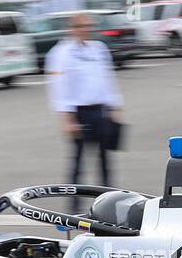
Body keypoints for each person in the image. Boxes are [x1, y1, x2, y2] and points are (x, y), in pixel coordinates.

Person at [45, 13, 124, 210]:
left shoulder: (99, 49)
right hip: (79, 112)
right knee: (78, 163)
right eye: (83, 26)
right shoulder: (62, 53)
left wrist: (114, 106)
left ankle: (108, 204)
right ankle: (73, 207)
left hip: (100, 110)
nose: (88, 29)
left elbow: (107, 78)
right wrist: (67, 118)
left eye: (90, 26)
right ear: (72, 29)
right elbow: (59, 87)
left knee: (105, 161)